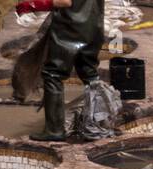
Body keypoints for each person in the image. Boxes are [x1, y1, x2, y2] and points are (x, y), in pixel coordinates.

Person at [12, 0, 106, 142]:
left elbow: (64, 1)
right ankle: (102, 121)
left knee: (53, 75)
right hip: (93, 26)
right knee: (89, 73)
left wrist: (33, 5)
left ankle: (54, 130)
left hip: (70, 28)